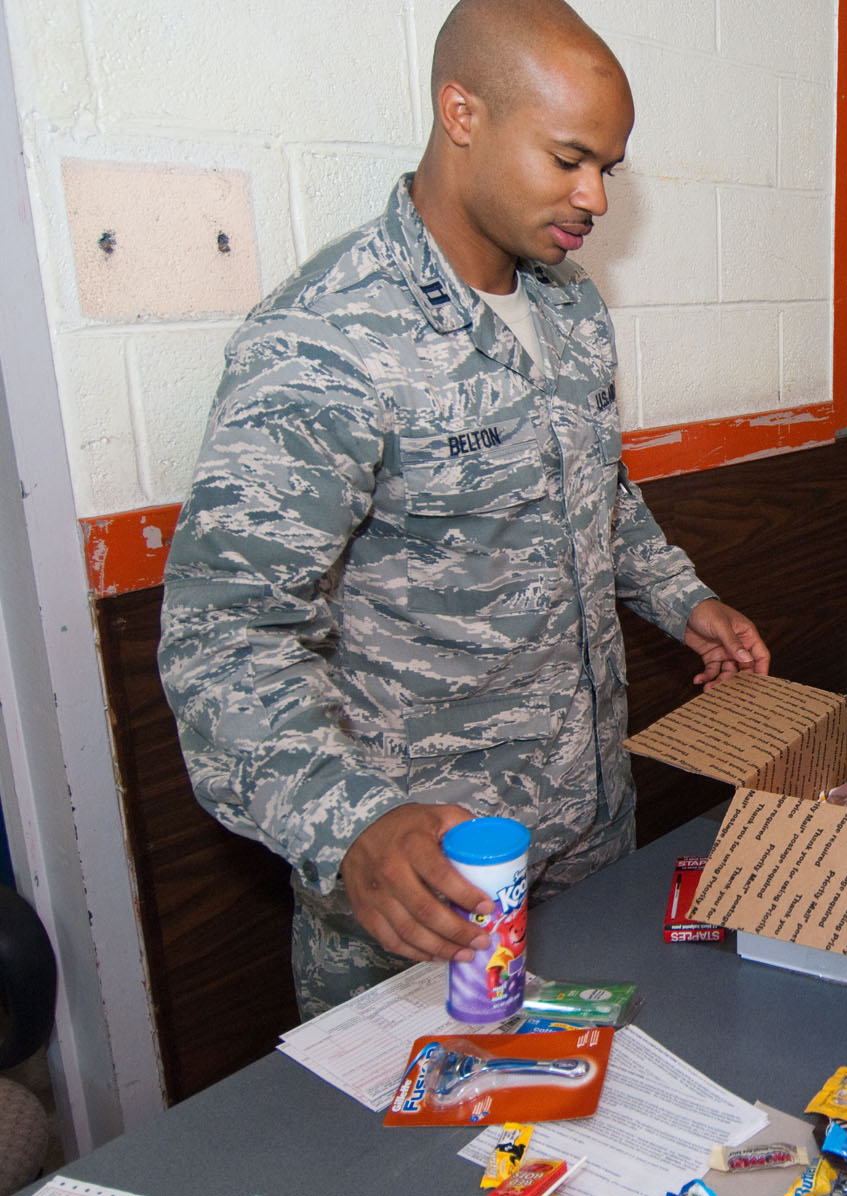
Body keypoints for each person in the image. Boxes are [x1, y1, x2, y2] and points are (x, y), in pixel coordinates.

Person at [158, 0, 770, 1016]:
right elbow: (224, 638)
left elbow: (598, 493)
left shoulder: (570, 308)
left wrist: (685, 600)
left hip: (590, 833)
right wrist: (353, 822)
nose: (595, 198)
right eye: (571, 157)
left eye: (608, 169)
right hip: (429, 884)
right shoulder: (327, 340)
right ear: (463, 112)